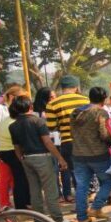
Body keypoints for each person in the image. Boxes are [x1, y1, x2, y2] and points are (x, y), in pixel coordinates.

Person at [9, 96, 69, 222]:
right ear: (30, 106)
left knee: (34, 190)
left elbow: (16, 147)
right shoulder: (38, 121)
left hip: (26, 158)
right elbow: (47, 142)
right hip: (42, 157)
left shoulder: (13, 126)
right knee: (50, 189)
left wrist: (21, 159)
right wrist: (60, 158)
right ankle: (58, 219)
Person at [70, 87, 111, 222]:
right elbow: (104, 134)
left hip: (78, 154)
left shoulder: (75, 112)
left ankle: (82, 218)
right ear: (104, 98)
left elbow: (72, 133)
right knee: (108, 181)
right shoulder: (100, 113)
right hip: (98, 154)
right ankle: (95, 208)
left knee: (82, 187)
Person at [45, 75, 89, 203]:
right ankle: (86, 201)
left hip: (67, 142)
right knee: (87, 172)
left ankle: (81, 203)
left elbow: (52, 127)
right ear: (76, 87)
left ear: (62, 87)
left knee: (76, 173)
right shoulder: (86, 100)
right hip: (87, 141)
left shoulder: (53, 104)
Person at [0, 88, 30, 209]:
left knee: (16, 178)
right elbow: (18, 142)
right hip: (12, 151)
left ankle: (23, 204)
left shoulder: (7, 120)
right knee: (20, 179)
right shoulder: (14, 122)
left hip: (5, 151)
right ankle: (22, 206)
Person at [0, 85, 22, 207]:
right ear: (12, 96)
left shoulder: (11, 108)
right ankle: (4, 204)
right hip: (2, 148)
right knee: (5, 177)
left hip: (13, 147)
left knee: (15, 177)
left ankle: (18, 203)